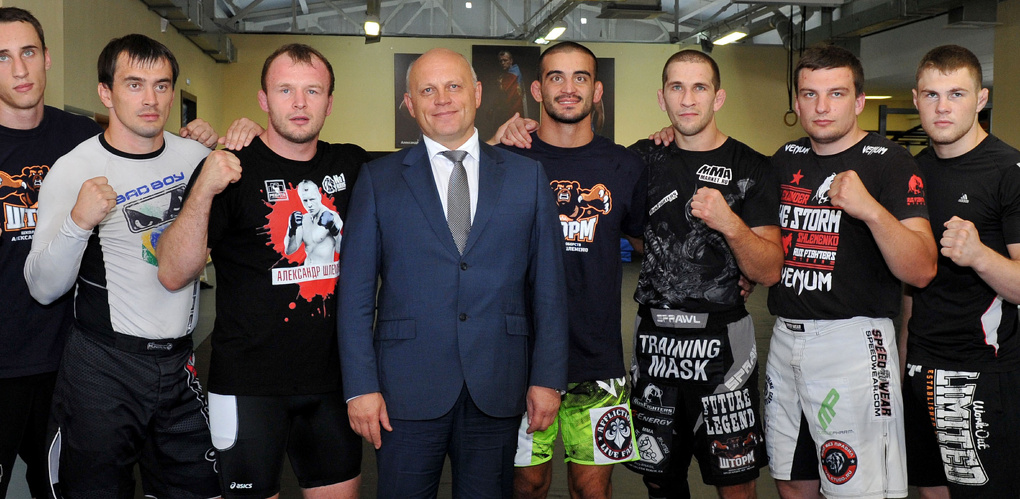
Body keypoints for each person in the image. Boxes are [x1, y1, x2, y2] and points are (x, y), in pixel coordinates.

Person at [337, 47, 568, 498]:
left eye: (453, 86)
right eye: (427, 90)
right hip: (403, 391)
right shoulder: (378, 180)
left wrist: (548, 378)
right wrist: (359, 387)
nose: (442, 99)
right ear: (410, 105)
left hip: (498, 384)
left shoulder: (527, 177)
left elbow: (550, 290)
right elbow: (356, 296)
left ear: (476, 93)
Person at [157, 44, 366, 499]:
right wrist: (203, 189)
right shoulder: (230, 170)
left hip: (332, 383)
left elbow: (428, 167)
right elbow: (172, 273)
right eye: (285, 90)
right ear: (263, 99)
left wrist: (504, 139)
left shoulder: (352, 166)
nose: (299, 102)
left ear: (330, 102)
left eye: (313, 91)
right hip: (247, 385)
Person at [22, 34, 222, 498]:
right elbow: (42, 288)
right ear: (106, 93)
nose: (151, 99)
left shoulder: (196, 158)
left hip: (179, 362)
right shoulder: (75, 169)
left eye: (161, 85)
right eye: (134, 85)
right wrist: (77, 223)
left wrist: (241, 136)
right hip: (104, 367)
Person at [765, 45, 937, 499]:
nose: (822, 107)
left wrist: (871, 211)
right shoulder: (785, 158)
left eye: (836, 93)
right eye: (810, 94)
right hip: (785, 337)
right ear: (797, 101)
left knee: (858, 490)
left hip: (853, 343)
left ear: (859, 101)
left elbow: (922, 269)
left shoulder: (890, 161)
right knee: (792, 480)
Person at [622, 50, 781, 499]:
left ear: (718, 97)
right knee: (659, 479)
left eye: (699, 87)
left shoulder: (752, 166)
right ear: (662, 98)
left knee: (737, 483)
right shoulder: (641, 159)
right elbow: (631, 230)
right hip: (656, 343)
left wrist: (729, 224)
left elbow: (770, 269)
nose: (687, 99)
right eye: (677, 87)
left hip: (723, 344)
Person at [493, 42, 647, 499]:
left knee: (593, 489)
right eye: (556, 77)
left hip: (598, 358)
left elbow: (652, 243)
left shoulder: (625, 164)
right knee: (527, 484)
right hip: (523, 357)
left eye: (580, 77)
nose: (568, 87)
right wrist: (492, 142)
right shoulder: (508, 159)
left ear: (596, 91)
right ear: (537, 90)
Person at [900, 44, 1020, 498]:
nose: (942, 107)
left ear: (981, 99)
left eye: (956, 94)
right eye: (931, 95)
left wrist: (979, 255)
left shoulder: (1008, 171)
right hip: (920, 367)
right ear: (916, 99)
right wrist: (902, 362)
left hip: (982, 371)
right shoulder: (911, 171)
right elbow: (911, 287)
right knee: (930, 490)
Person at [285, 179, 341, 266]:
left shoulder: (332, 216)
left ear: (319, 197)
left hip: (325, 272)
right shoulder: (304, 219)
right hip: (306, 271)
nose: (309, 205)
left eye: (312, 199)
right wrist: (291, 229)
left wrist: (335, 230)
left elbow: (341, 249)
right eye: (305, 200)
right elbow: (289, 251)